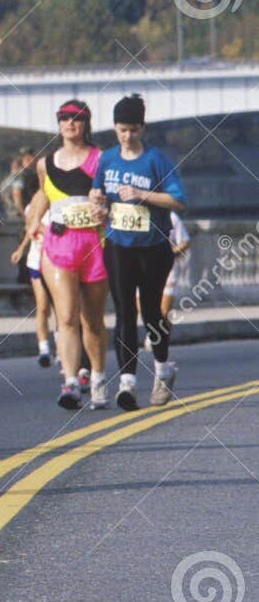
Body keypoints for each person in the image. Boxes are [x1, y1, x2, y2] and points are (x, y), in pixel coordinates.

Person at [88, 95, 187, 408]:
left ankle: (162, 369)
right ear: (114, 129)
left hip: (154, 247)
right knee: (123, 312)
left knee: (151, 312)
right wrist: (97, 207)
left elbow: (178, 201)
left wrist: (142, 194)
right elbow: (99, 196)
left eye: (132, 129)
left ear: (142, 128)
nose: (127, 135)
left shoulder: (156, 160)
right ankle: (127, 382)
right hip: (118, 244)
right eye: (121, 129)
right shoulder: (106, 159)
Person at [23, 100, 108, 410]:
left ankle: (97, 377)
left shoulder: (101, 159)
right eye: (64, 118)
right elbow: (45, 193)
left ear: (86, 123)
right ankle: (70, 382)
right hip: (59, 244)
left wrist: (105, 208)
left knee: (93, 321)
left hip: (94, 244)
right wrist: (33, 222)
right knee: (66, 318)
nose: (70, 123)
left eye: (76, 118)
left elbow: (111, 196)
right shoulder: (46, 163)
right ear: (58, 123)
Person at [10, 229, 55, 367]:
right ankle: (44, 349)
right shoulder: (32, 208)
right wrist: (21, 249)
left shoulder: (59, 207)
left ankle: (61, 349)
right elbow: (30, 227)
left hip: (57, 259)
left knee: (60, 310)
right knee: (42, 306)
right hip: (37, 261)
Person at [162, 211, 192, 330]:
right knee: (143, 310)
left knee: (163, 310)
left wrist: (168, 254)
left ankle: (158, 340)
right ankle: (159, 334)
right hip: (144, 270)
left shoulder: (171, 216)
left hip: (169, 271)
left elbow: (185, 241)